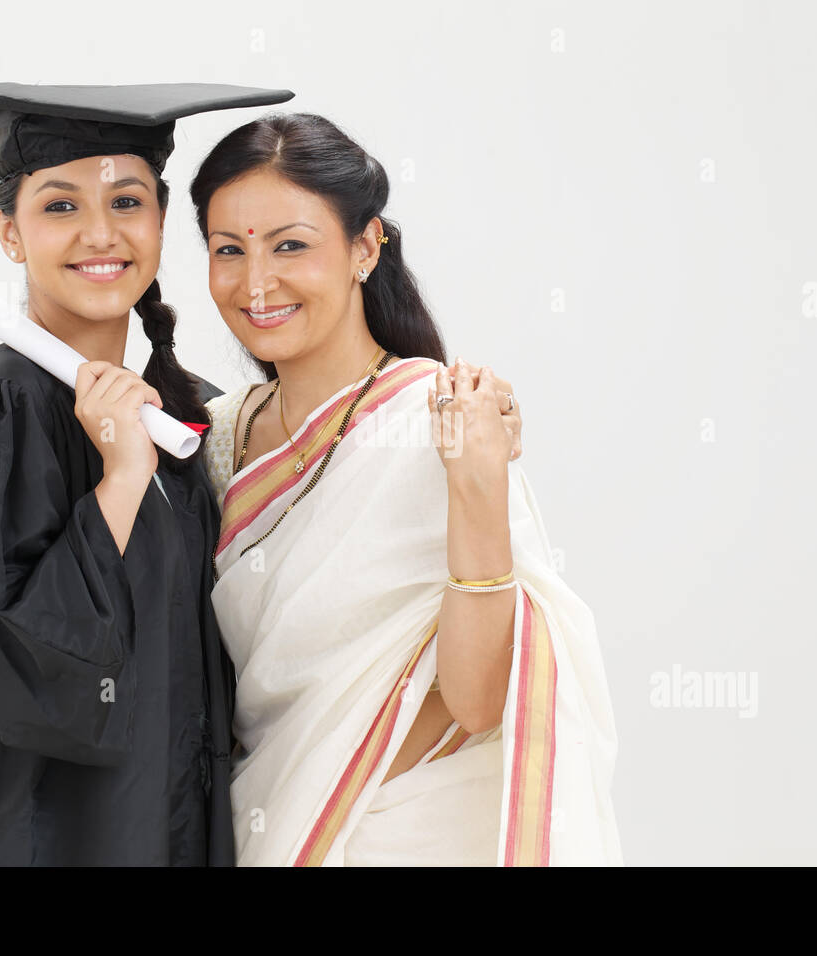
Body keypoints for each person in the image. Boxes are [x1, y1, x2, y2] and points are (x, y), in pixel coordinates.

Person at [0, 79, 292, 865]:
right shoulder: (3, 414)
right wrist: (120, 481)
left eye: (127, 202)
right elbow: (33, 676)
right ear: (7, 231)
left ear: (162, 223)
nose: (101, 233)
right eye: (60, 206)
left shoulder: (181, 411)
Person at [193, 113, 622, 865]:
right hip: (259, 822)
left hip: (402, 832)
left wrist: (478, 485)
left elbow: (478, 700)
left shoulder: (435, 420)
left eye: (291, 245)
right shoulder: (216, 437)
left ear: (365, 247)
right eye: (229, 250)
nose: (256, 283)